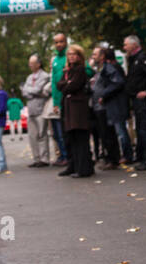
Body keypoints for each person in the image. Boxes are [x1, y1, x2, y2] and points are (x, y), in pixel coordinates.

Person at [123, 35, 146, 170]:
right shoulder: (134, 59)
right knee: (141, 130)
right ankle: (145, 158)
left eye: (126, 44)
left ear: (134, 45)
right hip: (137, 101)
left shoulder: (142, 58)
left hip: (143, 101)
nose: (124, 47)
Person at [93, 46, 132, 168]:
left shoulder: (109, 67)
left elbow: (118, 82)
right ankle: (119, 155)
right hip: (110, 105)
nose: (93, 57)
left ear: (102, 56)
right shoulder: (103, 68)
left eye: (95, 54)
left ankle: (125, 156)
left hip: (115, 105)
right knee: (114, 132)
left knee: (118, 131)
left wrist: (104, 94)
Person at [60, 45, 94, 179]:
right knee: (71, 138)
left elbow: (72, 86)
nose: (71, 57)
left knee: (81, 138)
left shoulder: (80, 70)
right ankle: (75, 165)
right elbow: (60, 84)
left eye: (74, 54)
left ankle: (84, 168)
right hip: (69, 108)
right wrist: (66, 84)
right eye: (70, 54)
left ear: (79, 56)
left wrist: (67, 85)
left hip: (78, 109)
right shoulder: (68, 70)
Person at [22, 55, 52, 167]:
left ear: (38, 64)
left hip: (41, 109)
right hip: (31, 109)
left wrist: (30, 91)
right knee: (32, 135)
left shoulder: (45, 76)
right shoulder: (29, 77)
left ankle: (44, 159)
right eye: (29, 63)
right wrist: (32, 92)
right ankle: (36, 158)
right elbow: (24, 91)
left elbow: (39, 89)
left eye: (32, 63)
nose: (30, 65)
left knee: (42, 134)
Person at [48, 33, 70, 165]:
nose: (59, 45)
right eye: (56, 42)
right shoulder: (55, 60)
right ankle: (64, 156)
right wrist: (55, 103)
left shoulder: (71, 55)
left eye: (61, 42)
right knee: (59, 133)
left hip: (71, 99)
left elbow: (88, 71)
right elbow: (53, 83)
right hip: (59, 101)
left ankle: (70, 157)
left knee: (67, 132)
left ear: (66, 42)